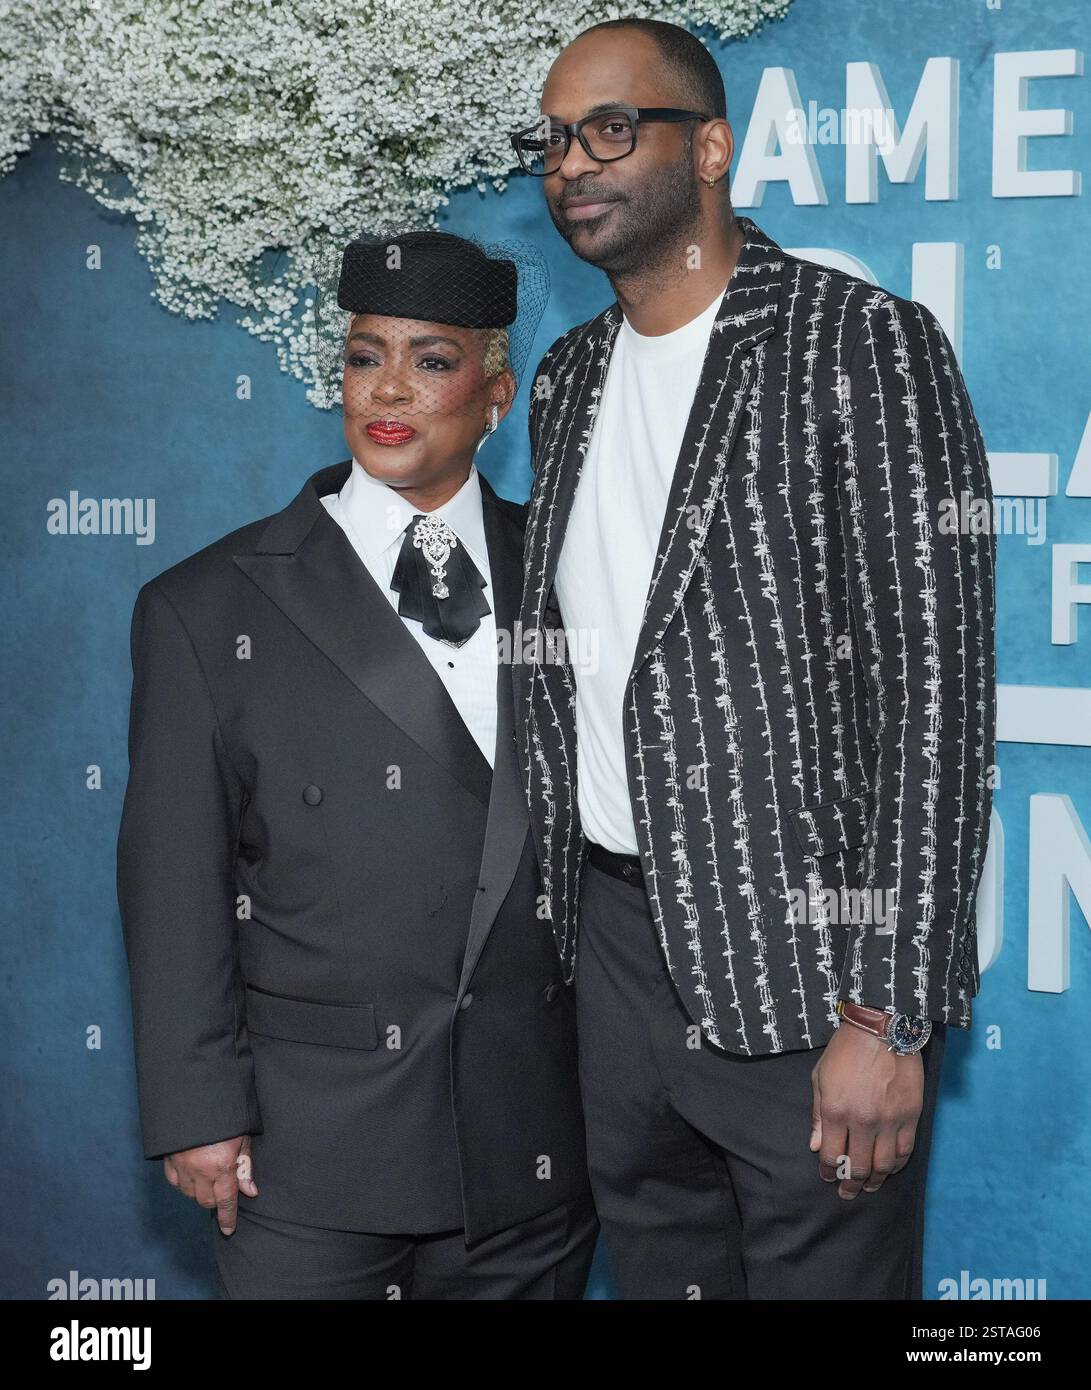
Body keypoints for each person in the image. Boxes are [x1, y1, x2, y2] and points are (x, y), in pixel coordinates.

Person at [510, 18, 996, 1299]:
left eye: (610, 129)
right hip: (613, 968)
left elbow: (934, 700)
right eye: (552, 139)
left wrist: (885, 1013)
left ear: (711, 148)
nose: (571, 163)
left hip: (807, 982)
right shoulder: (564, 379)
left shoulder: (859, 344)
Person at [116, 229, 596, 1300]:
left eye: (430, 360)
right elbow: (174, 881)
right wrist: (198, 1110)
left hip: (531, 1145)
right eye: (362, 355)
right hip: (307, 1155)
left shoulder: (573, 577)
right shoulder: (207, 607)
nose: (386, 387)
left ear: (495, 395)